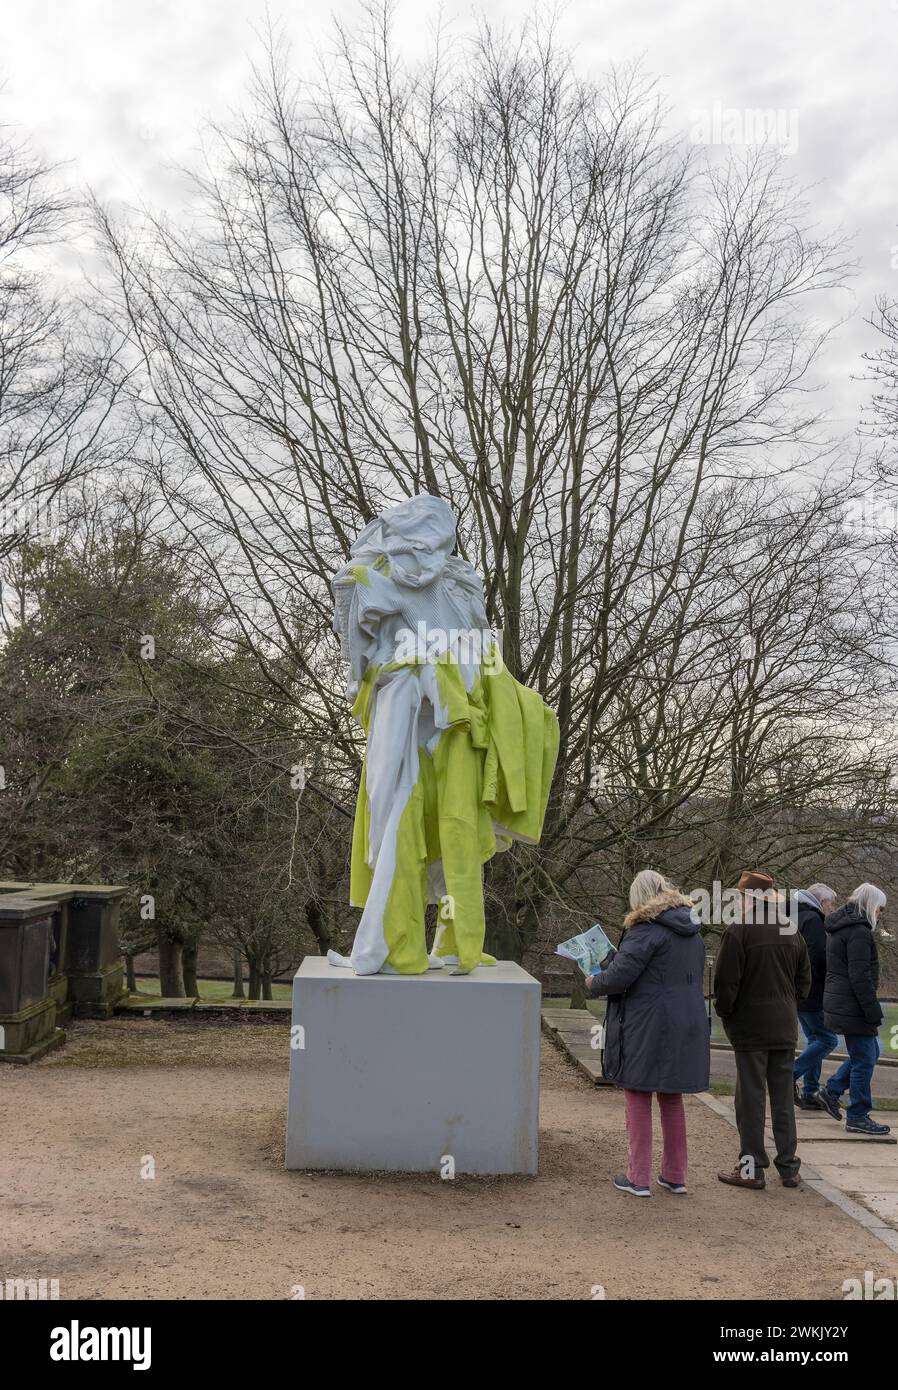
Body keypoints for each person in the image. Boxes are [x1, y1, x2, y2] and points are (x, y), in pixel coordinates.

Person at [584, 869, 710, 1197]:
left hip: (648, 1024)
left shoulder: (645, 929)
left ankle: (637, 1176)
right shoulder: (692, 931)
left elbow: (619, 978)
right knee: (671, 1096)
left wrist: (595, 982)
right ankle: (675, 1175)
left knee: (637, 1092)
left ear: (638, 897)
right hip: (686, 1023)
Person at [713, 870, 811, 1190]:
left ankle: (751, 1168)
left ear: (746, 898)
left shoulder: (739, 931)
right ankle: (789, 1167)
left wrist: (728, 1015)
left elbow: (726, 984)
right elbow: (804, 983)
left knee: (750, 1099)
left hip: (750, 1028)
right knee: (783, 1098)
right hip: (784, 1026)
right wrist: (788, 1006)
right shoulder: (792, 930)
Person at [817, 884, 890, 1136]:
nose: (880, 914)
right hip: (853, 1006)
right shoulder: (859, 931)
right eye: (879, 908)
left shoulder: (843, 927)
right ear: (870, 905)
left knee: (869, 1053)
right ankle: (857, 1114)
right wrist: (873, 1012)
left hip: (843, 1002)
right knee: (865, 1060)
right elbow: (860, 977)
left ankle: (831, 1090)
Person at [793, 883, 839, 1109]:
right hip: (813, 991)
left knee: (815, 1039)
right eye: (831, 903)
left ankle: (810, 1091)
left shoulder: (796, 916)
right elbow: (817, 957)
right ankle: (790, 1075)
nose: (833, 908)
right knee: (828, 1039)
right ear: (821, 902)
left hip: (799, 991)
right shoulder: (814, 920)